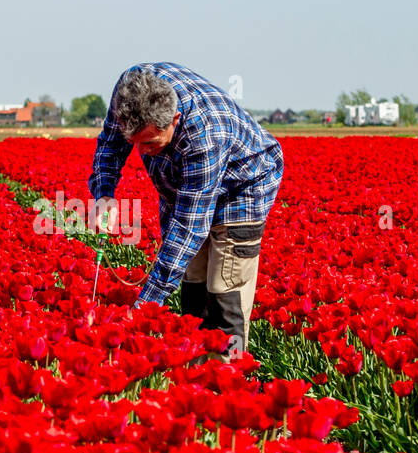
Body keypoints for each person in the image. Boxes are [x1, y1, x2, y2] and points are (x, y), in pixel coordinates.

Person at [89, 63, 284, 355]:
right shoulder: (129, 90)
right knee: (193, 277)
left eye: (151, 142)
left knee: (223, 285)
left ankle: (228, 373)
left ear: (175, 120)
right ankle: (195, 368)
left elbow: (188, 227)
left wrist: (144, 307)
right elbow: (110, 145)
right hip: (183, 180)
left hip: (243, 186)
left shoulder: (204, 136)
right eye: (135, 142)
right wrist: (104, 194)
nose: (141, 152)